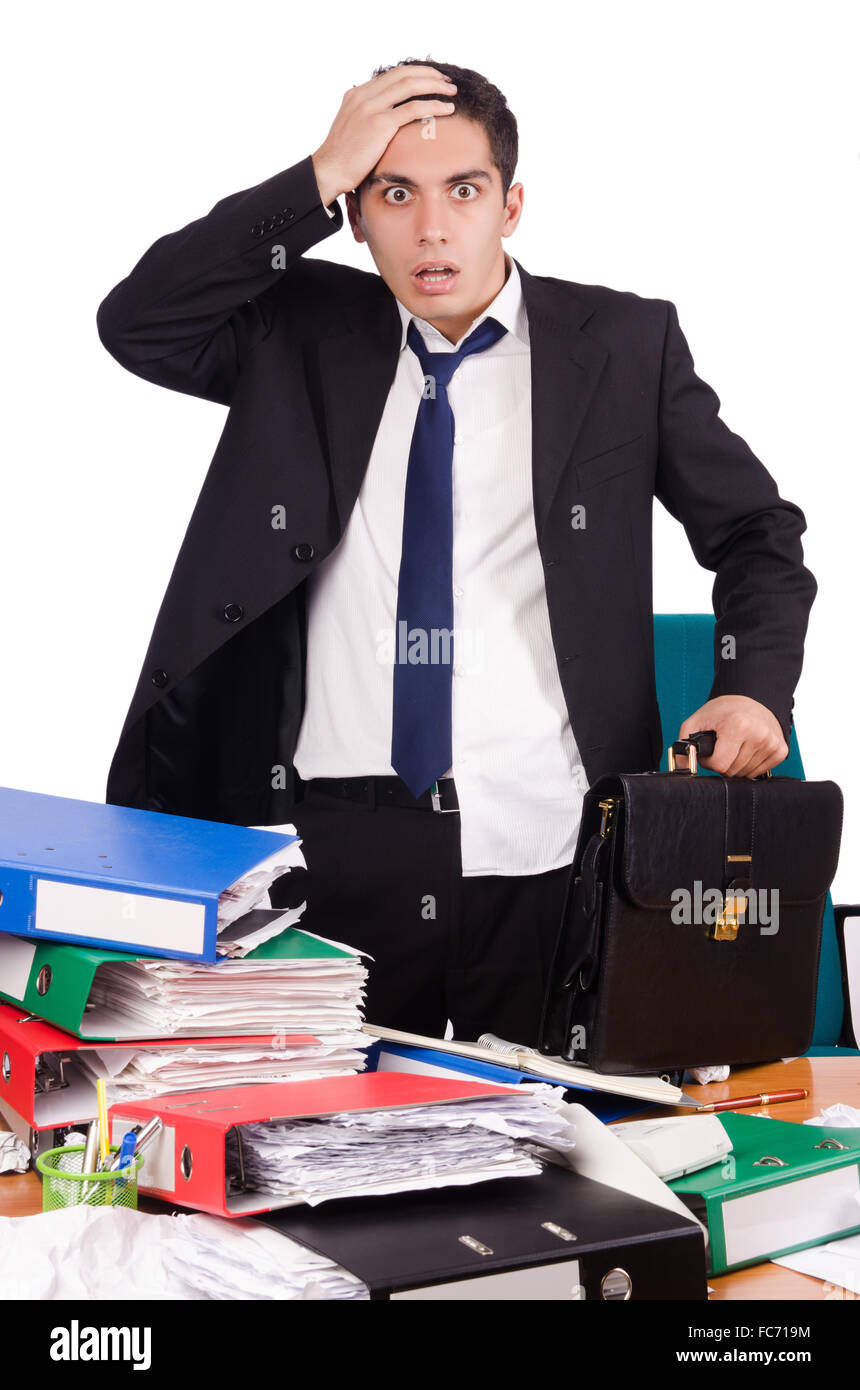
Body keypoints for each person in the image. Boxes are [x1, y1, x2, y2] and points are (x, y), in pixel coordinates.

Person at [97, 60, 816, 1044]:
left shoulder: (622, 345)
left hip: (554, 839)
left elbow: (757, 532)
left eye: (463, 191)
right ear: (357, 217)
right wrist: (317, 173)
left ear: (510, 206)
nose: (432, 229)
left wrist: (755, 689)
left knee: (568, 1122)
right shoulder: (294, 331)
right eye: (394, 194)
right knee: (318, 1128)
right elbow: (139, 321)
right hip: (331, 841)